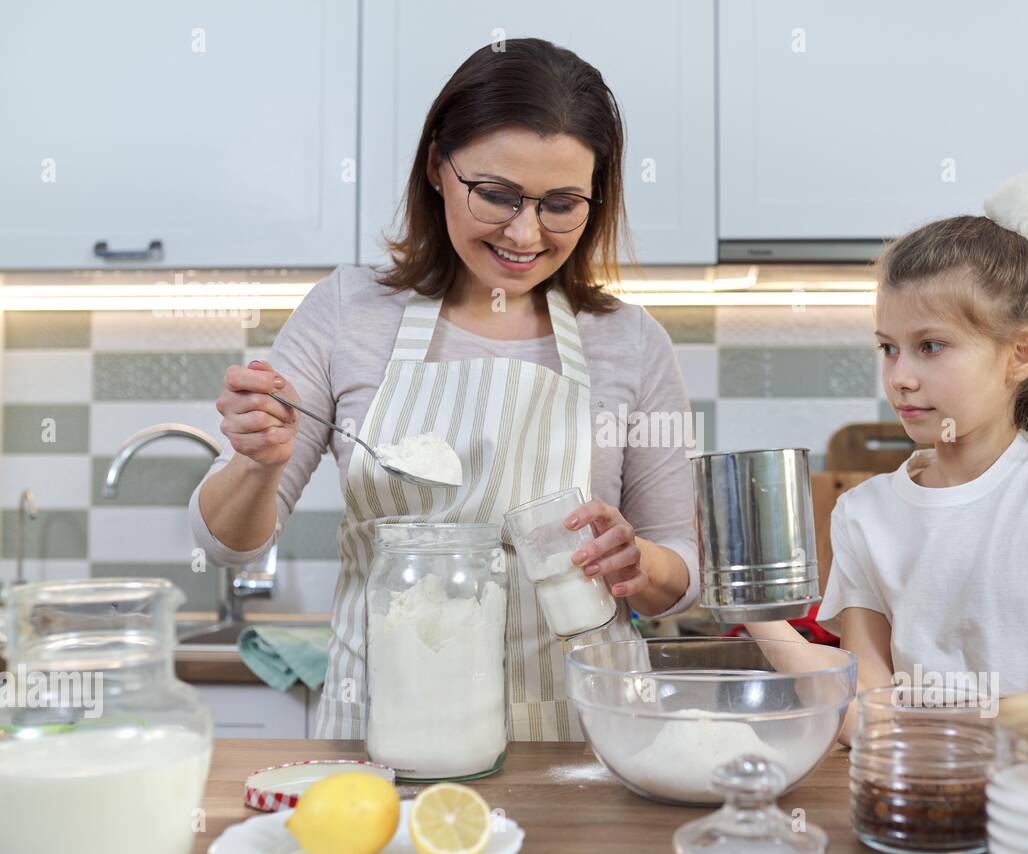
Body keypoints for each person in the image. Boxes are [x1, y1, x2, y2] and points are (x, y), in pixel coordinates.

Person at [189, 38, 699, 741]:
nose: (526, 232)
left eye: (562, 203)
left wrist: (639, 563)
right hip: (388, 735)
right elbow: (227, 547)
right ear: (437, 166)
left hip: (581, 744)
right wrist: (255, 462)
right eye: (495, 195)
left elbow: (686, 566)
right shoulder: (347, 312)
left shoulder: (631, 341)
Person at [749, 174, 1028, 745]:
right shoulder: (863, 513)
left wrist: (919, 729)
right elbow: (866, 717)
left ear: (1019, 354)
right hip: (915, 805)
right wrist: (751, 610)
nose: (901, 377)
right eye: (888, 348)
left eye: (930, 346)